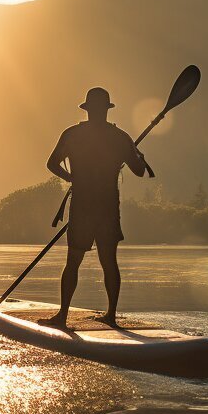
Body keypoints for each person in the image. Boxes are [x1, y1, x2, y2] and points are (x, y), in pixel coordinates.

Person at [41, 87, 149, 328]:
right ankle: (110, 315)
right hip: (108, 206)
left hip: (82, 205)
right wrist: (138, 155)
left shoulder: (72, 134)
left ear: (88, 109)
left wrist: (72, 179)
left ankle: (62, 316)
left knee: (73, 261)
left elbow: (52, 164)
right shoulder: (120, 137)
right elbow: (139, 171)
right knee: (109, 261)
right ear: (106, 110)